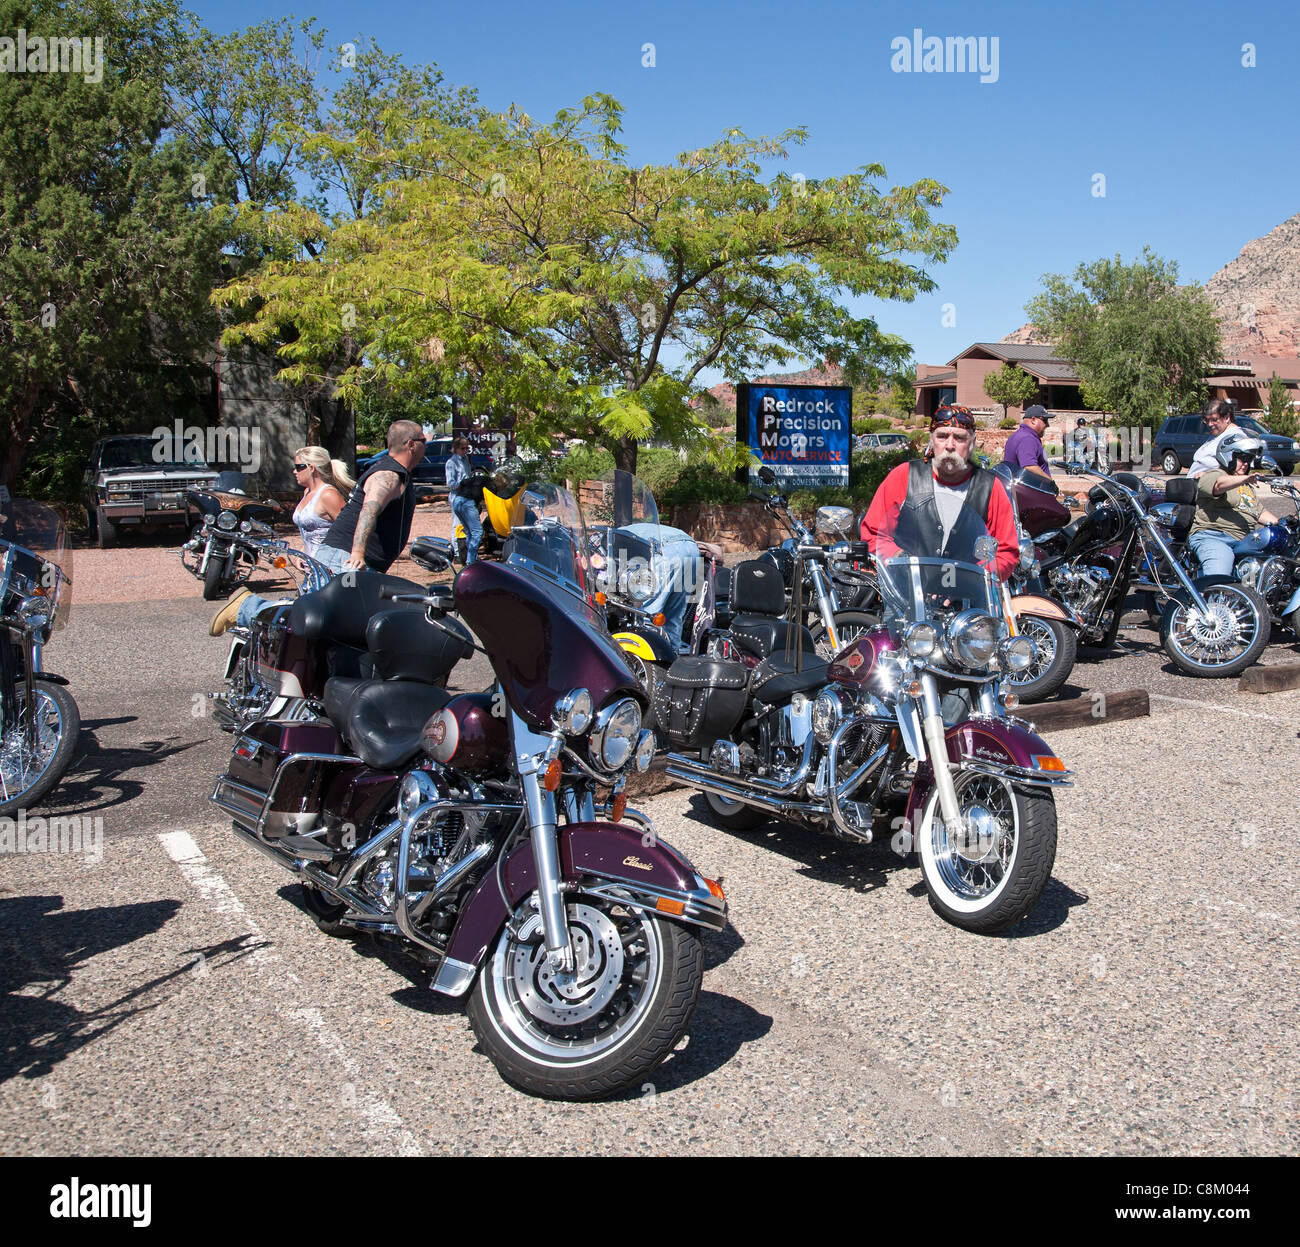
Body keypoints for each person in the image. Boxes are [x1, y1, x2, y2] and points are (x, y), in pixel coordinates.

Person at [861, 404, 1019, 580]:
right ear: (932, 440)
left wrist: (971, 578)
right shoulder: (903, 476)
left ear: (973, 442)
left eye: (959, 438)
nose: (950, 445)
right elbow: (874, 534)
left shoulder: (991, 487)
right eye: (942, 436)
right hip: (904, 594)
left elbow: (1006, 551)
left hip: (968, 598)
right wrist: (903, 562)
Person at [209, 447, 355, 636]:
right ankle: (246, 609)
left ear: (312, 468)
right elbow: (313, 531)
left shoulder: (329, 495)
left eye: (298, 466)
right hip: (313, 569)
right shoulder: (307, 493)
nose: (294, 471)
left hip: (331, 568)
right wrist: (302, 553)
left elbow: (349, 532)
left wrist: (352, 569)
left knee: (312, 620)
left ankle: (246, 607)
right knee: (308, 620)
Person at [318, 419, 425, 573]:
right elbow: (369, 511)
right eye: (423, 440)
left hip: (347, 560)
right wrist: (357, 554)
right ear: (411, 444)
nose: (425, 446)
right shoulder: (389, 475)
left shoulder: (394, 471)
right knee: (347, 598)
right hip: (346, 561)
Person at [1186, 432, 1281, 577]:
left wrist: (1284, 524)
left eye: (1249, 459)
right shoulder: (1214, 474)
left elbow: (1258, 512)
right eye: (1242, 458)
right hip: (1214, 537)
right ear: (1229, 456)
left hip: (1244, 540)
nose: (1246, 463)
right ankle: (1213, 597)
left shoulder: (1246, 487)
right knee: (1220, 574)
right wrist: (1244, 479)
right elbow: (1218, 485)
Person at [616, 521, 705, 650]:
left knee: (649, 614)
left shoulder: (602, 541)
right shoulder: (624, 531)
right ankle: (672, 656)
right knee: (674, 614)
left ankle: (648, 662)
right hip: (690, 547)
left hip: (665, 550)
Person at [446, 437, 484, 565]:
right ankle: (458, 553)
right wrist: (462, 484)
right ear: (455, 448)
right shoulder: (451, 463)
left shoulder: (466, 460)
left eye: (466, 448)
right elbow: (450, 483)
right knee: (458, 526)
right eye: (462, 448)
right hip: (458, 498)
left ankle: (468, 556)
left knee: (469, 529)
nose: (465, 451)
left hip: (468, 497)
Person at [1189, 399, 1239, 478]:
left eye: (1214, 420)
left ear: (1227, 417)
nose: (1209, 424)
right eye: (1207, 420)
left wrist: (1208, 476)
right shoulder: (1218, 433)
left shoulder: (1235, 437)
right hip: (1193, 486)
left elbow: (1238, 470)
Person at [1002, 404, 1053, 479]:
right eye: (1044, 420)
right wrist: (1051, 483)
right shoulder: (1028, 438)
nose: (1047, 425)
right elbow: (1030, 467)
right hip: (1026, 490)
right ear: (1033, 420)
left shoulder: (1021, 435)